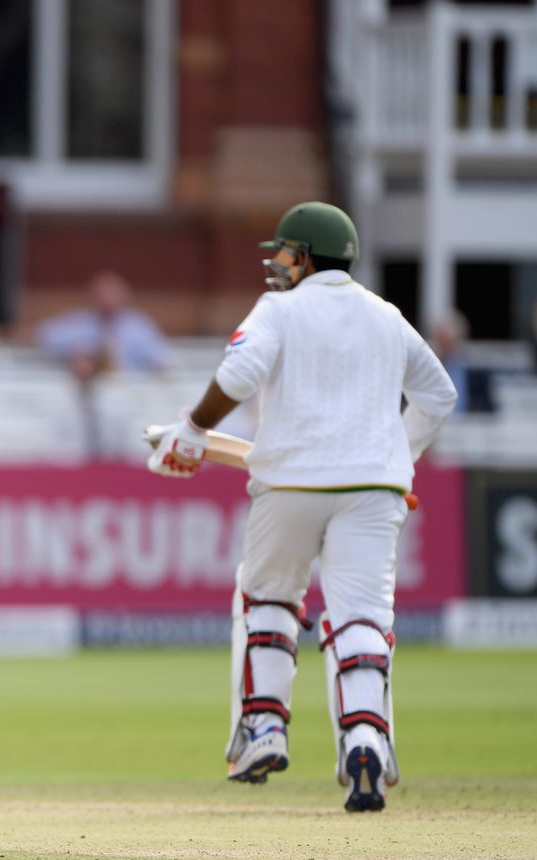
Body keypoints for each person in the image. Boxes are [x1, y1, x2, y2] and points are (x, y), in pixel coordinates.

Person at [145, 201, 456, 813]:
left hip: (289, 484)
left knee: (267, 599)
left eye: (285, 253)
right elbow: (438, 396)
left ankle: (264, 730)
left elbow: (238, 377)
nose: (278, 264)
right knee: (363, 616)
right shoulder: (387, 316)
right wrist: (399, 455)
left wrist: (191, 427)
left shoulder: (281, 310)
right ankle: (366, 738)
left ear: (308, 256)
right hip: (373, 490)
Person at [37, 270, 168, 373]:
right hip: (88, 392)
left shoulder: (138, 325)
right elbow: (45, 335)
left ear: (124, 296)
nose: (107, 298)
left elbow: (158, 358)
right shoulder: (80, 322)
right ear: (92, 296)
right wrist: (79, 351)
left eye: (112, 293)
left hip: (132, 391)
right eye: (102, 293)